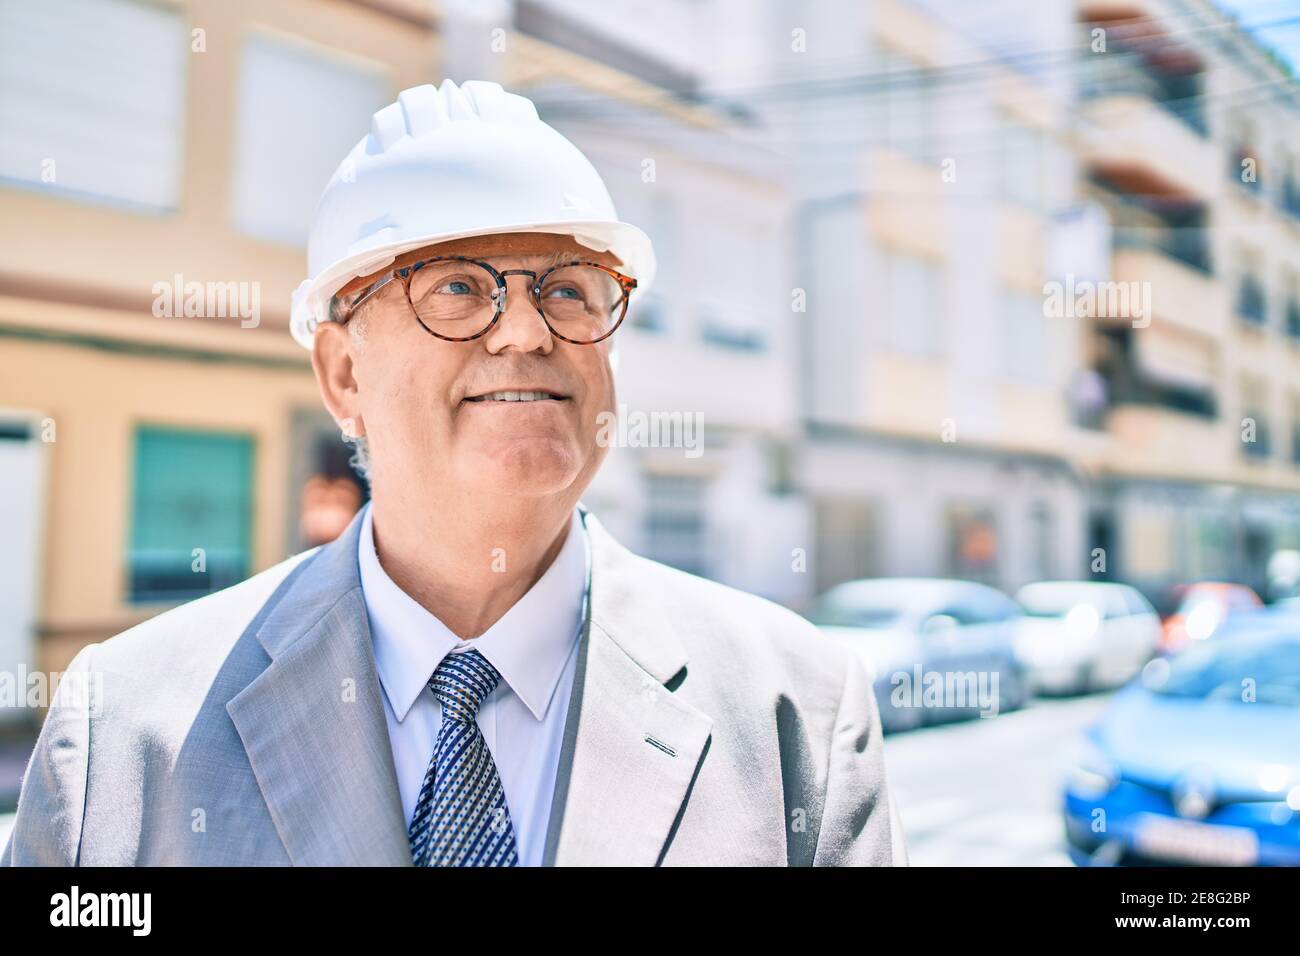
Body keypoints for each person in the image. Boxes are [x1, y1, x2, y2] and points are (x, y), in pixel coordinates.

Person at [4, 79, 906, 866]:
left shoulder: (798, 716)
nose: (527, 332)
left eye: (567, 289)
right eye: (459, 288)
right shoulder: (126, 734)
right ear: (343, 374)